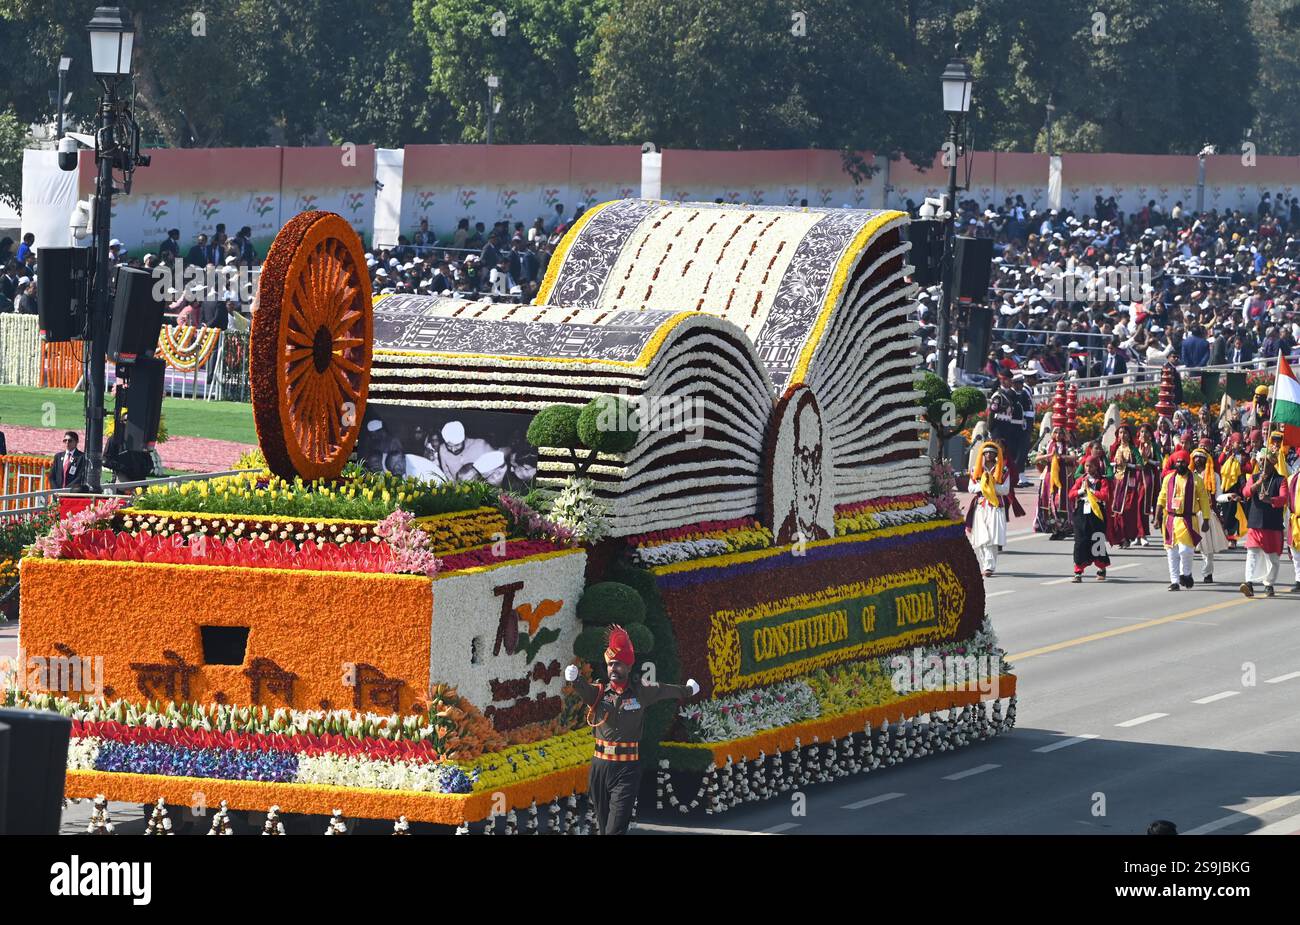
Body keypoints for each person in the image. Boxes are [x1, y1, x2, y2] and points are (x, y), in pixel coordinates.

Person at [563, 626, 698, 835]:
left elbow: (664, 690)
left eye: (618, 664)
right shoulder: (600, 693)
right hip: (600, 766)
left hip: (627, 768)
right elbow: (584, 689)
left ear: (628, 666)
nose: (613, 669)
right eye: (610, 665)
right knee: (603, 824)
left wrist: (688, 689)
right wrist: (575, 679)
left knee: (615, 828)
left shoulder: (641, 691)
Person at [1156, 449, 1213, 591]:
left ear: (1188, 463)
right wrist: (1157, 516)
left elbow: (1204, 500)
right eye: (1177, 462)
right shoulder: (1168, 479)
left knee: (1186, 551)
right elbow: (1162, 497)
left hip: (1188, 520)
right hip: (1170, 520)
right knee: (1172, 552)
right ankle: (1174, 581)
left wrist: (1206, 519)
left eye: (1182, 462)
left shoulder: (1196, 480)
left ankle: (1186, 574)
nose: (1179, 464)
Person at [1240, 445, 1290, 598]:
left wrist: (1270, 499)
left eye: (1265, 462)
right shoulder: (1254, 477)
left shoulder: (1280, 480)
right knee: (1252, 553)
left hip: (1272, 524)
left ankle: (1269, 584)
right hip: (1255, 522)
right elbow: (1246, 492)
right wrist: (1258, 483)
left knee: (1273, 558)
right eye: (1260, 462)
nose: (1262, 464)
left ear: (1272, 463)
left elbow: (1283, 499)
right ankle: (1249, 583)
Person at [966, 441, 1011, 577]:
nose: (989, 455)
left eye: (992, 452)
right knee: (980, 538)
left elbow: (1005, 490)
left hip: (995, 506)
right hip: (980, 506)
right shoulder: (976, 470)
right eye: (986, 452)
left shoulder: (1003, 470)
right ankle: (985, 563)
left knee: (992, 537)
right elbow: (971, 488)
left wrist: (991, 486)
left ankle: (989, 567)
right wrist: (984, 486)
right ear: (983, 454)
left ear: (996, 454)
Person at [1069, 454, 1112, 582]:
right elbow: (1071, 494)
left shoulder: (1102, 480)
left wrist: (1092, 491)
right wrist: (1081, 491)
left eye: (1090, 466)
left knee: (1097, 540)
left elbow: (1105, 495)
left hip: (1096, 513)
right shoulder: (1081, 480)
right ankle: (1078, 571)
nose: (1088, 468)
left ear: (1096, 467)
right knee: (1080, 541)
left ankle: (1101, 567)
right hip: (1082, 512)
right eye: (1086, 466)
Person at [1191, 445, 1228, 583]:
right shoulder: (1189, 475)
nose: (1197, 459)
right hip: (1190, 515)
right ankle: (1184, 574)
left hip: (1206, 514)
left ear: (1206, 459)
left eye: (1200, 457)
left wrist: (1229, 497)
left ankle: (1207, 574)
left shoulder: (1214, 476)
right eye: (1195, 457)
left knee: (1206, 548)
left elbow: (1218, 496)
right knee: (1185, 549)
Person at [1035, 425, 1076, 539]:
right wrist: (1050, 455)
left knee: (1061, 500)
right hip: (1049, 475)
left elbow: (1074, 457)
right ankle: (1053, 528)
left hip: (1063, 475)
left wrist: (1061, 457)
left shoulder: (1067, 445)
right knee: (1049, 499)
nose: (1058, 435)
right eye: (1056, 433)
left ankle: (1063, 528)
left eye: (1060, 433)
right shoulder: (1047, 445)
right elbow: (1037, 458)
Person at [1108, 425, 1146, 548]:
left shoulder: (1133, 449)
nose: (1122, 435)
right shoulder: (1115, 448)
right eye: (1120, 433)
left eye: (1125, 433)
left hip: (1129, 483)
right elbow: (1109, 463)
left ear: (1129, 435)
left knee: (1126, 510)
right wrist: (1115, 463)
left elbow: (1140, 465)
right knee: (1116, 511)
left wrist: (1128, 464)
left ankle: (1128, 536)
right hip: (1117, 482)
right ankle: (1121, 538)